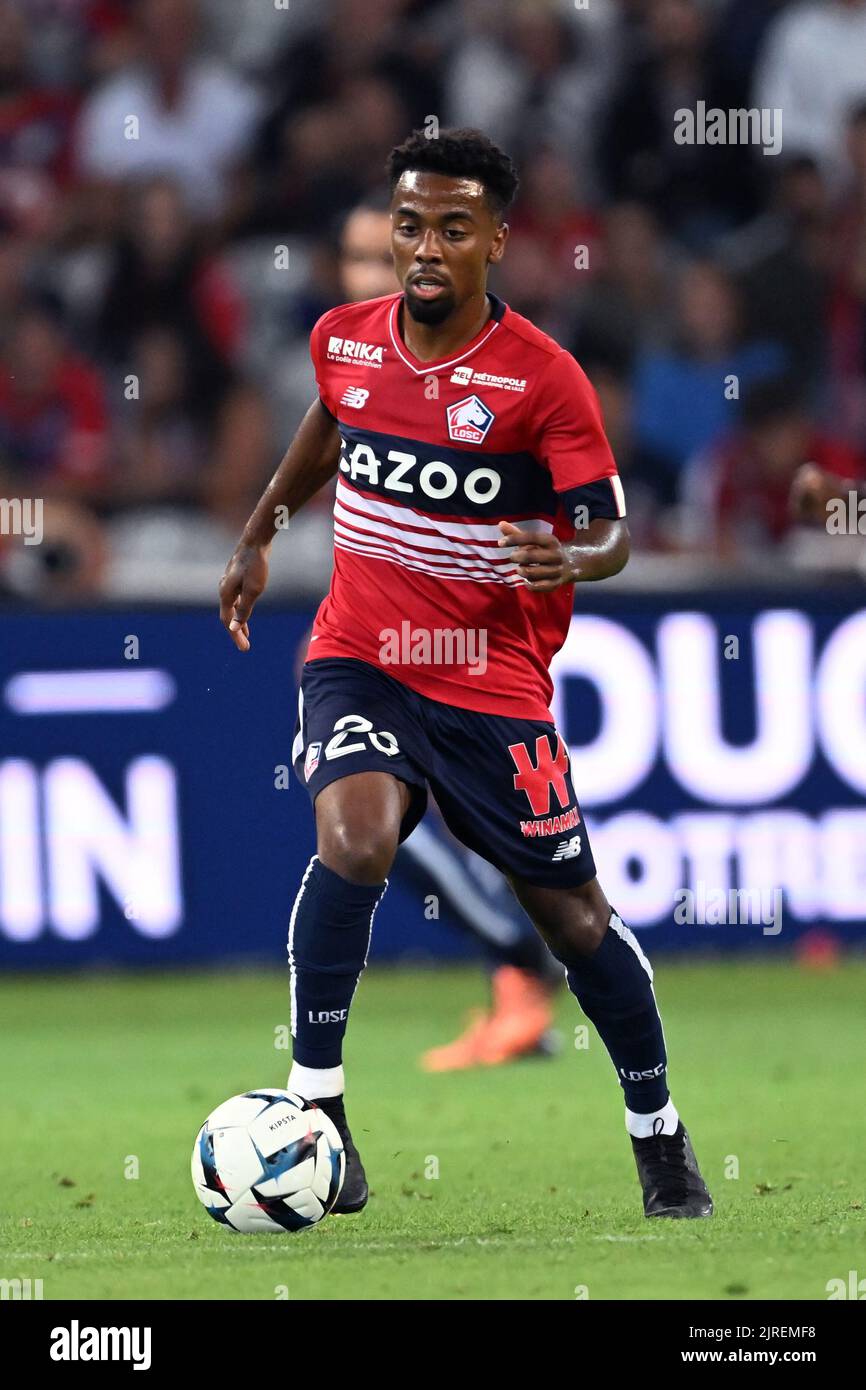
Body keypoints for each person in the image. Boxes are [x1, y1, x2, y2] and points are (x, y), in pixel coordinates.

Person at [218, 128, 713, 1221]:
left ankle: (657, 1131)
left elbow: (611, 530)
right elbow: (330, 428)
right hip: (361, 654)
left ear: (495, 237)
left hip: (490, 683)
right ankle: (319, 1114)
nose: (425, 246)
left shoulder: (542, 378)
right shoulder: (343, 341)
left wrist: (569, 553)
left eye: (451, 226)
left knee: (573, 920)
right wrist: (259, 531)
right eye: (408, 225)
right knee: (352, 841)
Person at [335, 195, 563, 1072]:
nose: (368, 276)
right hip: (387, 617)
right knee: (399, 805)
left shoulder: (483, 366)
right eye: (354, 260)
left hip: (473, 632)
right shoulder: (353, 357)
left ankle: (520, 962)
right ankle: (516, 977)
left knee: (434, 809)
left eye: (376, 257)